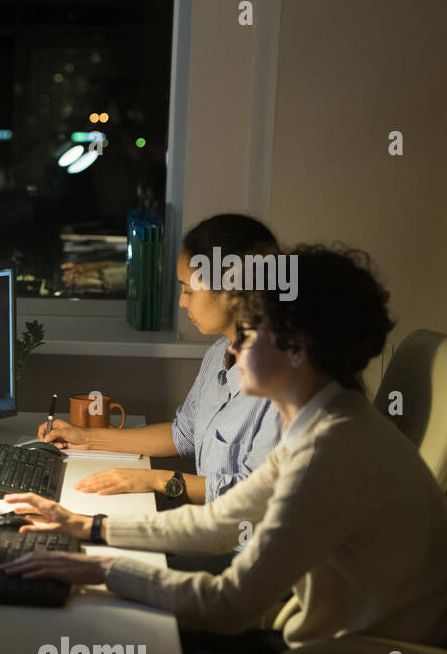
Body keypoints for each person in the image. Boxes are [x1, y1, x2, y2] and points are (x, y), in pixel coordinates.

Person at [1, 245, 447, 654]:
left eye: (248, 333)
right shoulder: (323, 421)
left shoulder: (331, 449)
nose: (232, 350)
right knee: (143, 646)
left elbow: (232, 604)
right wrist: (88, 528)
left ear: (297, 347)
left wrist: (103, 571)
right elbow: (218, 522)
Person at [38, 214, 283, 508]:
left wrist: (154, 480)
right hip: (211, 529)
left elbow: (254, 496)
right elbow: (183, 435)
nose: (182, 302)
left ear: (232, 292)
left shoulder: (283, 384)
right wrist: (86, 437)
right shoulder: (219, 353)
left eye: (188, 290)